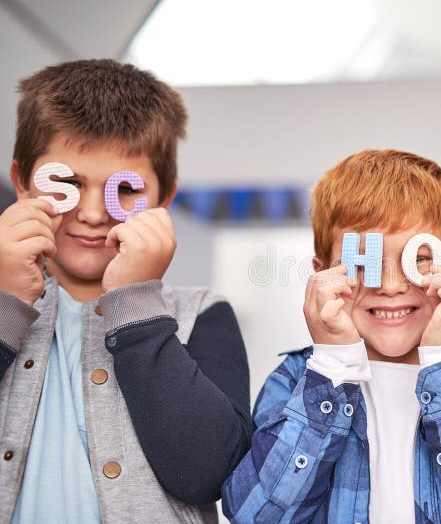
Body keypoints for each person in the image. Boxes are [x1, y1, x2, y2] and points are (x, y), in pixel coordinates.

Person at [222, 150, 441, 523]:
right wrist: (333, 365)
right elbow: (253, 515)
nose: (390, 286)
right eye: (364, 261)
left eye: (420, 259)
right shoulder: (299, 377)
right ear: (322, 273)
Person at [0, 59, 252, 523]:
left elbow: (208, 474)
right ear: (21, 183)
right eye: (69, 184)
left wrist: (136, 303)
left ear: (163, 199)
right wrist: (6, 305)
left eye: (124, 189)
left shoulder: (203, 313)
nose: (94, 214)